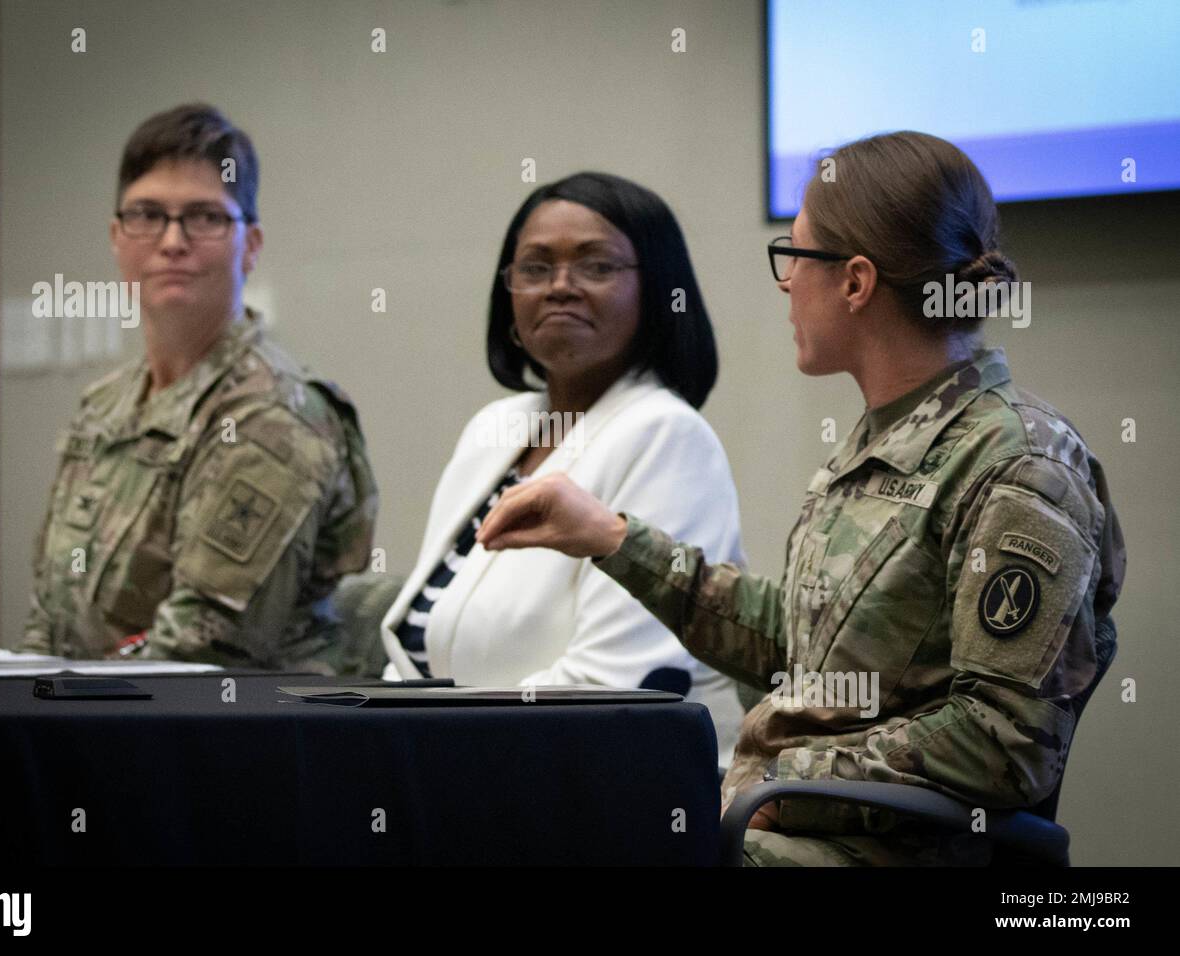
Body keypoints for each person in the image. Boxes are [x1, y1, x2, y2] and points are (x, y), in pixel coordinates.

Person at [477, 132, 1127, 865]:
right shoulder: (881, 444)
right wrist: (611, 537)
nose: (785, 283)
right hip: (788, 830)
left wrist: (783, 780)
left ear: (854, 283)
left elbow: (1005, 741)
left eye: (795, 257)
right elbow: (798, 652)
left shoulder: (1020, 464)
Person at [380, 172, 746, 764]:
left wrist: (422, 753)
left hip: (608, 786)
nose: (560, 286)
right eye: (535, 267)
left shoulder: (667, 435)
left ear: (658, 291)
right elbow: (413, 661)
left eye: (596, 266)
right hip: (466, 772)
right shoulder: (493, 429)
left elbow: (616, 690)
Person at [19, 103, 377, 668]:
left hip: (224, 740)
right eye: (147, 215)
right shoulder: (102, 406)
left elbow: (202, 649)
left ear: (251, 244)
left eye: (205, 217)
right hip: (88, 726)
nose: (172, 241)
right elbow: (49, 617)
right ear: (117, 238)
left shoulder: (275, 415)